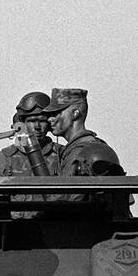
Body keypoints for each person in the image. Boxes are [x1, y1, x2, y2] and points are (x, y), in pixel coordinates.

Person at [43, 87, 130, 215]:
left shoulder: (91, 150)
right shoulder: (73, 150)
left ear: (75, 113)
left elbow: (71, 201)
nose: (50, 119)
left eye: (57, 113)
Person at [0, 91, 62, 178]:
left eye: (42, 121)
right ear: (21, 123)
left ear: (50, 123)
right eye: (31, 121)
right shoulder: (3, 158)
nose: (37, 126)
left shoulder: (62, 155)